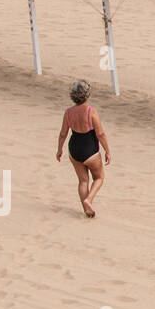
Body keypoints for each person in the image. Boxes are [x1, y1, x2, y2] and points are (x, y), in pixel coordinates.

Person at [55, 79, 110, 218]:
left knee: (83, 181)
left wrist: (59, 150)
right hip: (90, 149)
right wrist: (107, 151)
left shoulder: (68, 113)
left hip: (74, 149)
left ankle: (87, 211)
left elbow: (63, 134)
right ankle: (88, 200)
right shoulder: (91, 111)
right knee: (99, 178)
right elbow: (100, 134)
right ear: (87, 95)